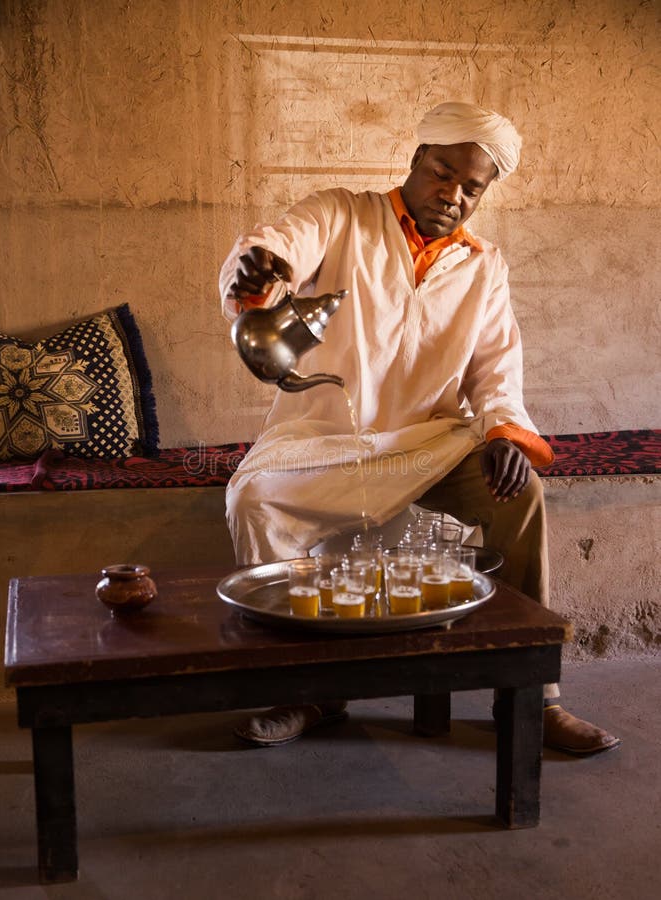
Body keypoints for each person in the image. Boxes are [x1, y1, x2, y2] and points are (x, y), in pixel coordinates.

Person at [219, 101, 619, 756]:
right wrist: (259, 266)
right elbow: (280, 242)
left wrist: (503, 432)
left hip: (427, 446)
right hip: (324, 440)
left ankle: (533, 697)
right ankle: (303, 690)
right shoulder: (343, 214)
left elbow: (494, 373)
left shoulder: (482, 267)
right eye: (442, 173)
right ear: (415, 160)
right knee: (252, 500)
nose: (452, 195)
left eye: (472, 187)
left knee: (516, 492)